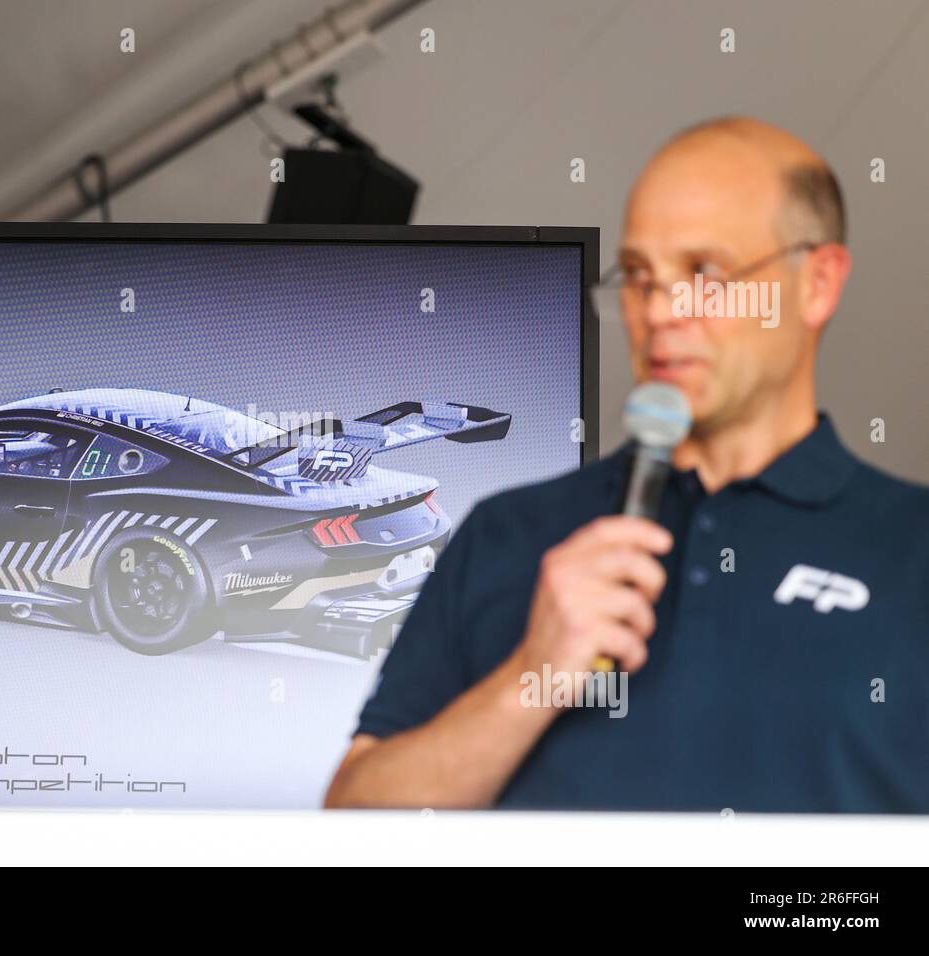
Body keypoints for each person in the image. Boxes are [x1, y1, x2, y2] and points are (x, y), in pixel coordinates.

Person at [325, 116, 929, 813]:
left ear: (817, 283)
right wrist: (533, 676)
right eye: (640, 276)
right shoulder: (508, 532)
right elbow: (354, 824)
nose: (660, 312)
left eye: (705, 273)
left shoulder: (912, 548)